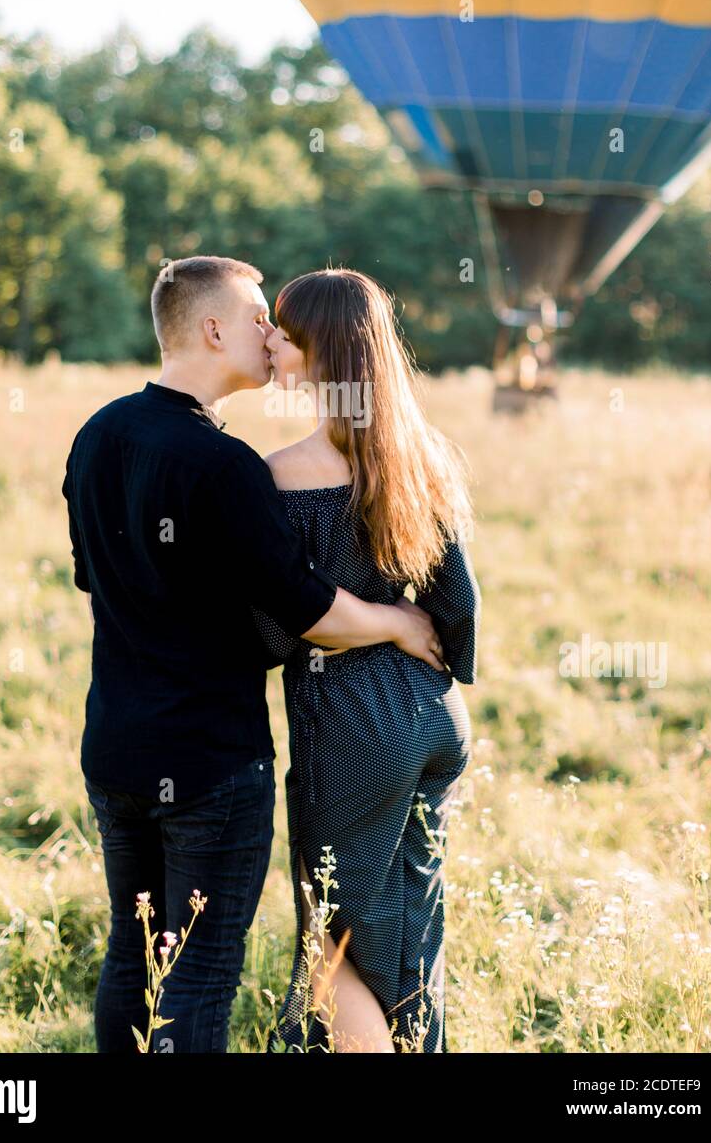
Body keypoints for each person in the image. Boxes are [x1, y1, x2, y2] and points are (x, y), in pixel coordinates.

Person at [62, 254, 446, 1054]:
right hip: (210, 761)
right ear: (212, 329)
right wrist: (400, 624)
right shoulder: (226, 466)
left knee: (133, 955)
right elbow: (308, 610)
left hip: (116, 747)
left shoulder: (97, 435)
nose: (269, 334)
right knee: (200, 972)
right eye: (255, 318)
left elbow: (89, 577)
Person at [255, 268, 481, 1053]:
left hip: (350, 727)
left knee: (332, 933)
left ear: (320, 356)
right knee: (413, 922)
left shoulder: (284, 476)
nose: (272, 345)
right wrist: (411, 636)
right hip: (434, 719)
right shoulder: (426, 461)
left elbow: (284, 628)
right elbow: (461, 608)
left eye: (285, 333)